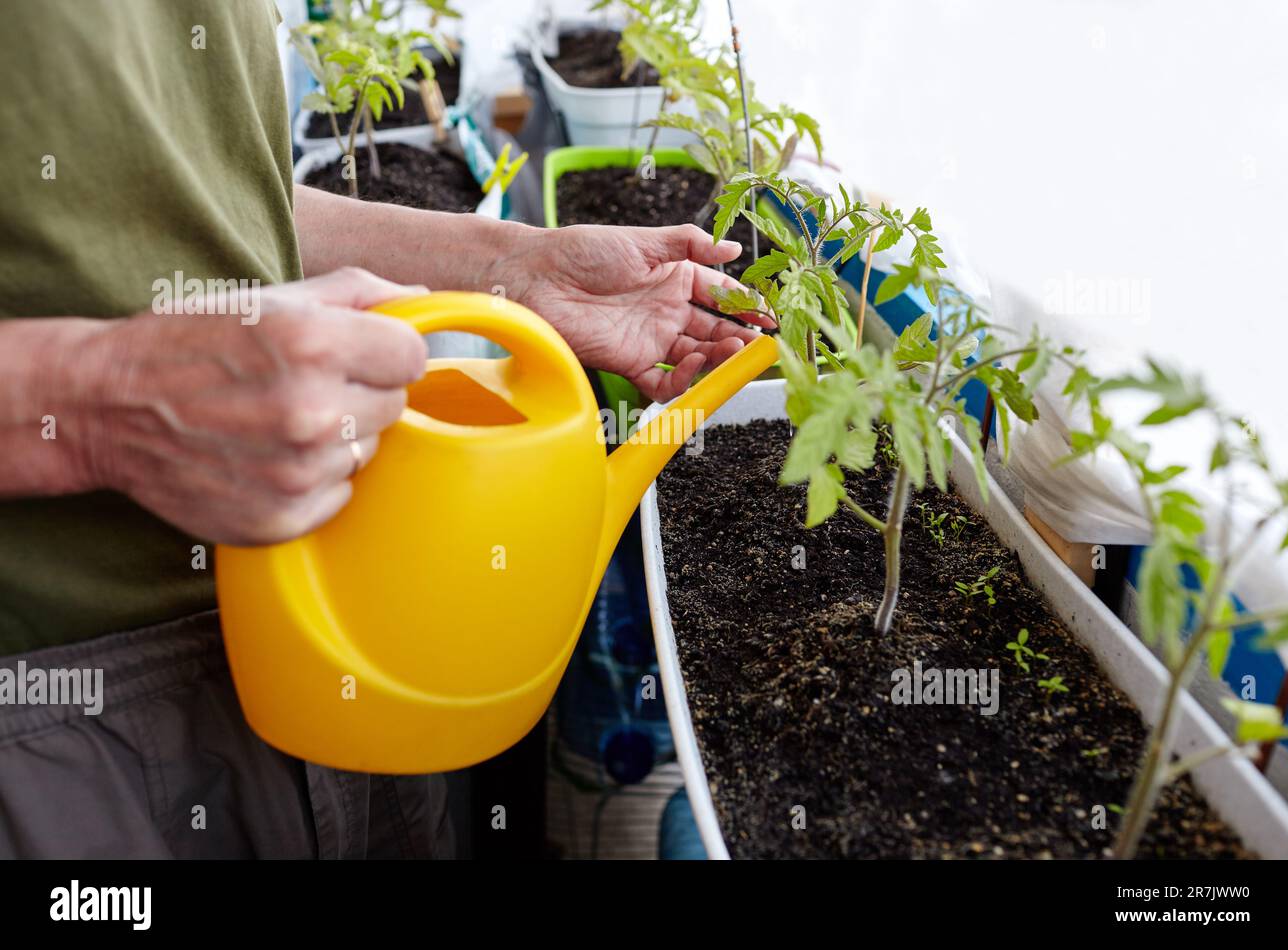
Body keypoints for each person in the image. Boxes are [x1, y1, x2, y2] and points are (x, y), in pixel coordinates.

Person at [0, 0, 769, 858]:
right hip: (70, 703)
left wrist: (508, 265)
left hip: (337, 618)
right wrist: (103, 403)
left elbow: (204, 192)